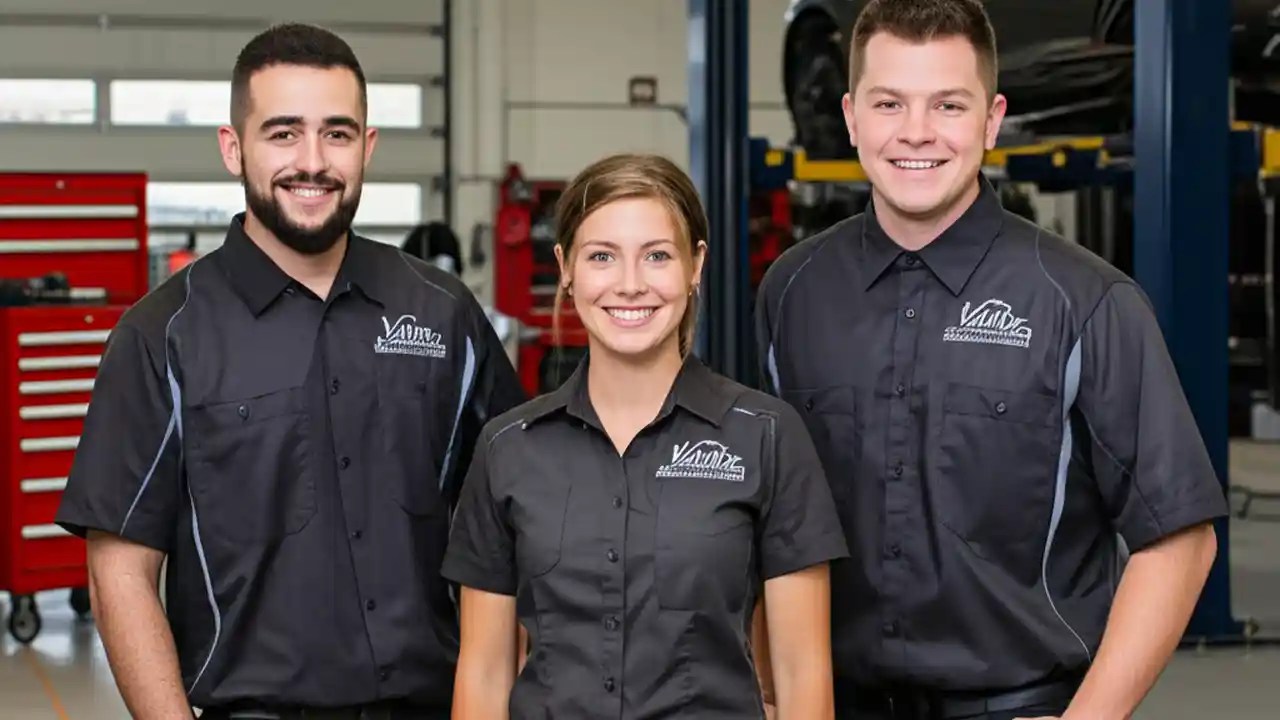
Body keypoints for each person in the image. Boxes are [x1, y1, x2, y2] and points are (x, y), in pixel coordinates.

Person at [755, 1, 1229, 719]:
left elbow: (1181, 539)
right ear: (852, 117)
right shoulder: (792, 294)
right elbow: (772, 523)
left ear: (991, 118)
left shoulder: (1085, 301)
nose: (916, 133)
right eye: (890, 104)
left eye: (948, 104)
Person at [54, 23, 524, 719]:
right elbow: (120, 570)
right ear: (232, 146)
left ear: (367, 147)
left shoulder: (443, 314)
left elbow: (516, 521)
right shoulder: (162, 336)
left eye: (336, 133)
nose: (312, 161)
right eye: (282, 133)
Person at [440, 153, 850, 719]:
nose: (630, 286)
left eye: (657, 256)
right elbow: (484, 676)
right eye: (602, 257)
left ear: (695, 265)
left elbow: (804, 676)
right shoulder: (508, 447)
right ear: (566, 268)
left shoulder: (767, 438)